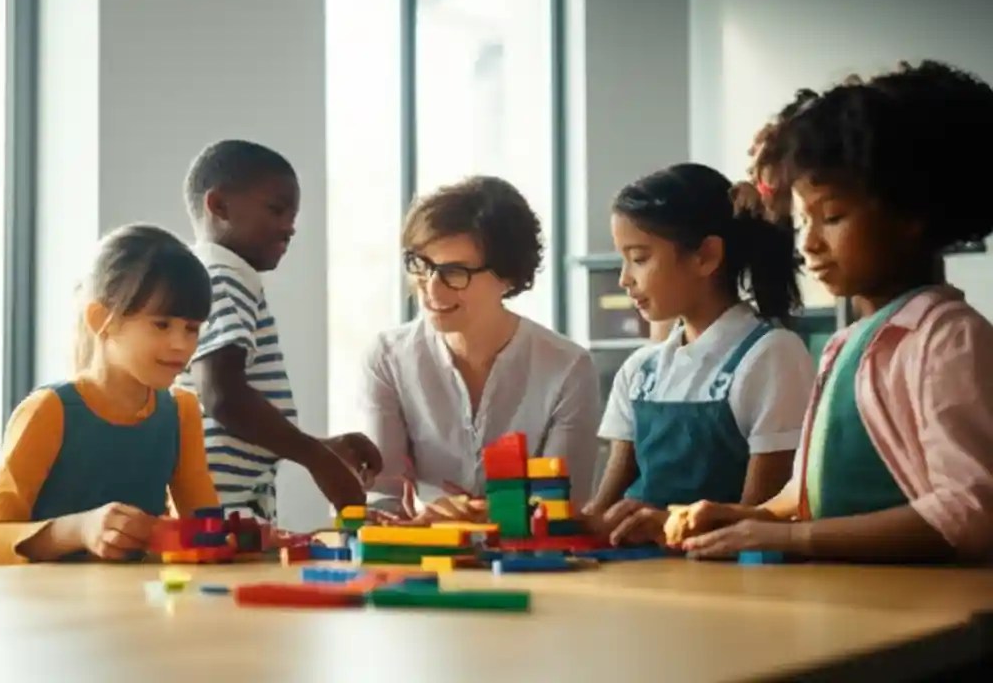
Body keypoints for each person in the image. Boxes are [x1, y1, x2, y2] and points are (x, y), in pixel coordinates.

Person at [671, 61, 993, 563]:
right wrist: (743, 517)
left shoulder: (947, 338)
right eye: (803, 221)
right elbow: (807, 499)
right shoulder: (843, 345)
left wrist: (788, 539)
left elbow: (972, 511)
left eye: (833, 217)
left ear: (911, 213)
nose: (810, 244)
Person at [585, 163, 814, 545]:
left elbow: (760, 522)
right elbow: (603, 514)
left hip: (729, 583)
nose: (624, 278)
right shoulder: (640, 371)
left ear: (706, 256)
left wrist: (670, 528)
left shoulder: (771, 356)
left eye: (639, 258)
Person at [0, 224, 219, 565]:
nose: (181, 345)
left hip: (139, 608)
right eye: (161, 324)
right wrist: (79, 530)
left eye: (191, 329)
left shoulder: (182, 410)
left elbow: (206, 531)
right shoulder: (49, 411)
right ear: (102, 319)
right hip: (49, 612)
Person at [359, 176, 601, 521]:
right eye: (422, 265)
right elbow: (382, 496)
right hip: (419, 556)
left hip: (532, 567)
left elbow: (565, 508)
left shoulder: (568, 368)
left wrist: (482, 520)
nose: (432, 290)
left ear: (508, 278)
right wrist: (426, 519)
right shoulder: (387, 357)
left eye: (455, 272)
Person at [176, 140, 382, 521]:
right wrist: (316, 458)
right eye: (276, 209)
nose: (289, 228)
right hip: (217, 505)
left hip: (227, 499)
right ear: (219, 206)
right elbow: (221, 394)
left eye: (293, 217)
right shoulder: (223, 277)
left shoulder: (214, 275)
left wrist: (323, 446)